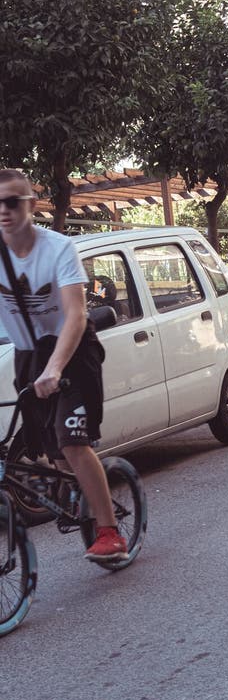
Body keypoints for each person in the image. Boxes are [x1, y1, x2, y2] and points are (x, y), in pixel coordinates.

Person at [0, 169, 127, 562]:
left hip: (71, 353)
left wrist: (55, 368)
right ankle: (79, 495)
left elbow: (75, 315)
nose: (3, 211)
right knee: (50, 450)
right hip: (28, 354)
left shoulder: (58, 248)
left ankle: (109, 531)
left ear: (31, 205)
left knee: (72, 443)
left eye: (11, 202)